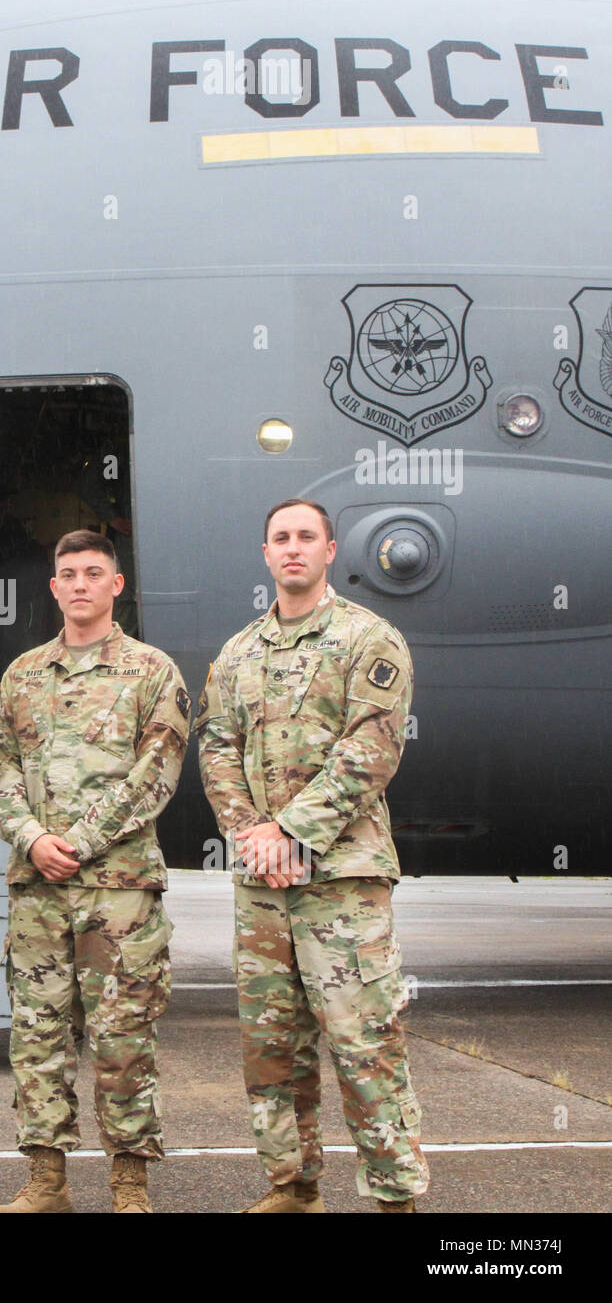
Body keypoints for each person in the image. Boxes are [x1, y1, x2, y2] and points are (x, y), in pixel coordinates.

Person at [196, 498, 429, 1213]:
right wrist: (250, 836)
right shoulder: (239, 652)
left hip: (343, 881)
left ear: (330, 550)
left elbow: (370, 750)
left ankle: (395, 1200)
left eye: (306, 537)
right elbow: (216, 748)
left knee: (366, 1045)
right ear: (265, 554)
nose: (292, 548)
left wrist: (290, 832)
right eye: (280, 538)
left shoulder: (370, 639)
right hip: (263, 883)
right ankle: (292, 1188)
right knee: (273, 1052)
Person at [0, 528, 189, 1213]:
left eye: (93, 572)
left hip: (119, 889)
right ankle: (46, 1183)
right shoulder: (20, 677)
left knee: (124, 1037)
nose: (79, 584)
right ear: (53, 587)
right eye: (67, 573)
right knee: (37, 1036)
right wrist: (33, 836)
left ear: (115, 585)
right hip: (39, 887)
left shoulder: (153, 672)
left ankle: (129, 1187)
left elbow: (156, 771)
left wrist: (78, 839)